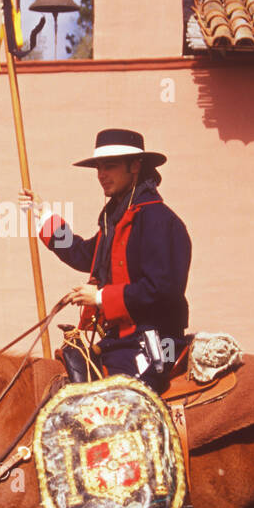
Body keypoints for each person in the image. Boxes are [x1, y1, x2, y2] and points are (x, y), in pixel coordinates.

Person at [20, 128, 191, 386]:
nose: (101, 175)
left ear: (135, 166)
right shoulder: (116, 219)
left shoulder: (159, 221)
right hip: (120, 342)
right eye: (98, 168)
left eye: (109, 166)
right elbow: (82, 254)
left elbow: (162, 290)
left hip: (156, 342)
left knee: (114, 403)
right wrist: (44, 215)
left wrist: (100, 297)